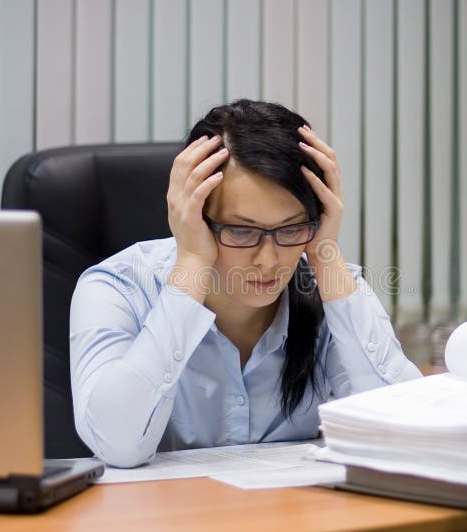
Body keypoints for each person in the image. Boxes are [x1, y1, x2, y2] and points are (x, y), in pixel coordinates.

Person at [70, 99, 421, 467]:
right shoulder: (118, 288)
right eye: (241, 231)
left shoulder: (331, 288)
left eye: (291, 227)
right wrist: (192, 261)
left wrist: (325, 254)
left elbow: (408, 438)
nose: (268, 260)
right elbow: (118, 446)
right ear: (194, 217)